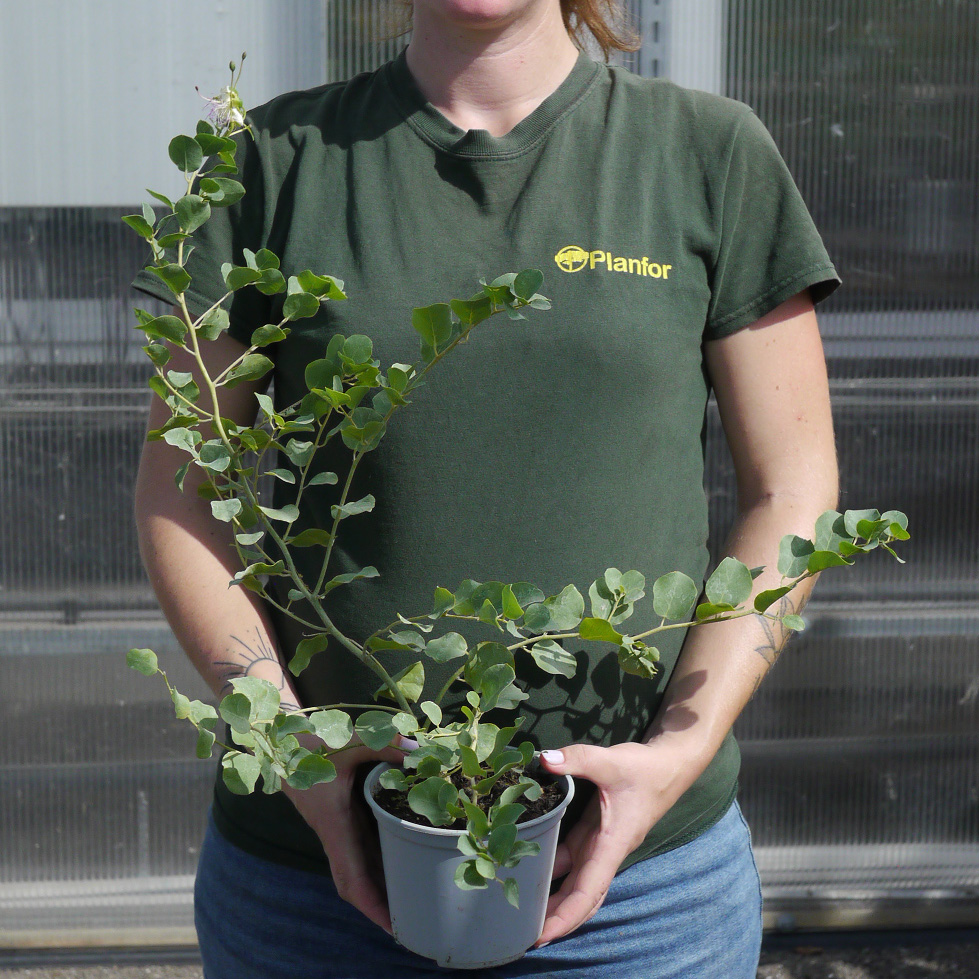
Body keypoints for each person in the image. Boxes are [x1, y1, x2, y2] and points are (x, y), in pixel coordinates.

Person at [133, 1, 839, 976]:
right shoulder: (265, 163)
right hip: (309, 893)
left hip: (639, 899)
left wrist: (675, 755)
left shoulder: (706, 152)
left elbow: (792, 488)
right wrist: (285, 742)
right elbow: (183, 489)